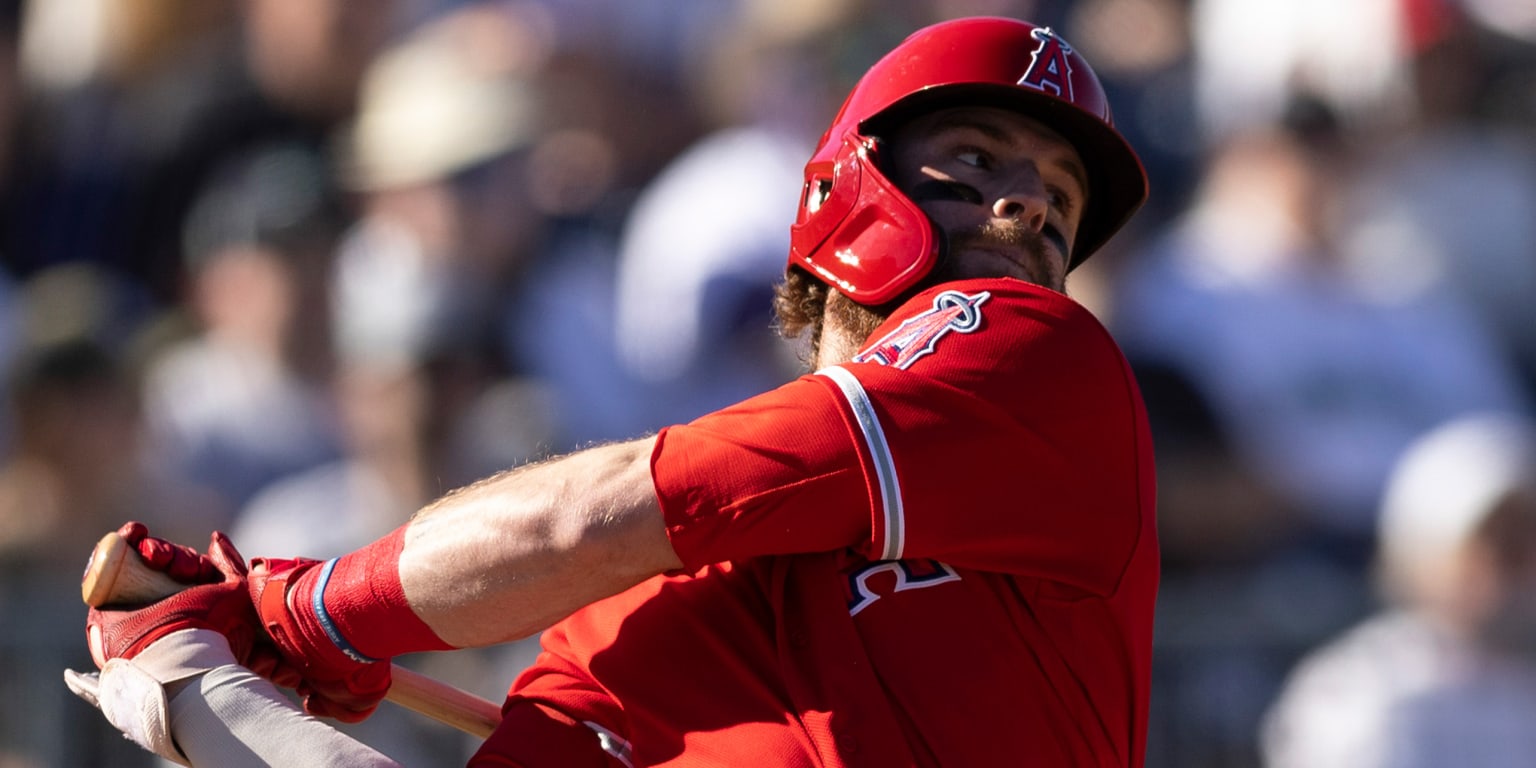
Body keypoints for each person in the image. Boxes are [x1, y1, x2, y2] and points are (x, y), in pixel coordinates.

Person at [67, 17, 1159, 767]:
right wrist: (201, 692)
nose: (1030, 209)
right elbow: (607, 531)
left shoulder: (1039, 360)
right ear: (848, 183)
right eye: (977, 159)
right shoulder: (642, 604)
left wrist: (310, 613)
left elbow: (589, 515)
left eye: (1060, 196)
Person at [1260, 413, 1536, 768]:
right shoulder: (1363, 696)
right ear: (1421, 553)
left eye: (1526, 540)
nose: (1515, 568)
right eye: (1495, 545)